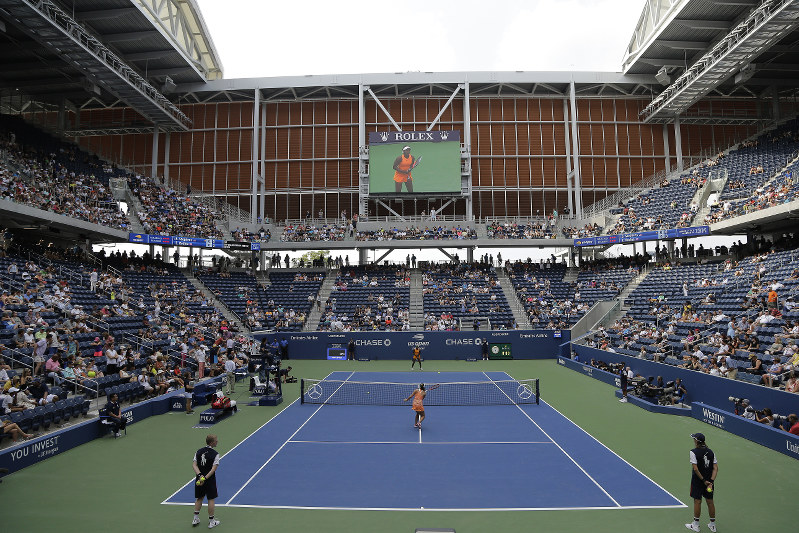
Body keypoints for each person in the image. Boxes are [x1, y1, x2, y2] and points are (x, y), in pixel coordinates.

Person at [685, 432, 718, 532]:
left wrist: (704, 481)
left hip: (698, 482)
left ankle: (696, 525)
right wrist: (711, 482)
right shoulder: (711, 452)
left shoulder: (693, 452)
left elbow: (695, 469)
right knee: (710, 501)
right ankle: (712, 525)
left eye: (694, 439)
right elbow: (715, 468)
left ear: (696, 441)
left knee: (697, 501)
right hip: (709, 482)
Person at [192, 434, 221, 529]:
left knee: (199, 498)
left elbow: (194, 465)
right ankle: (212, 522)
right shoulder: (215, 454)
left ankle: (195, 518)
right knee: (211, 500)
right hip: (209, 480)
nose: (217, 441)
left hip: (199, 480)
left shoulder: (198, 451)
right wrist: (204, 478)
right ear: (212, 442)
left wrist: (200, 476)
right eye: (216, 440)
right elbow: (213, 470)